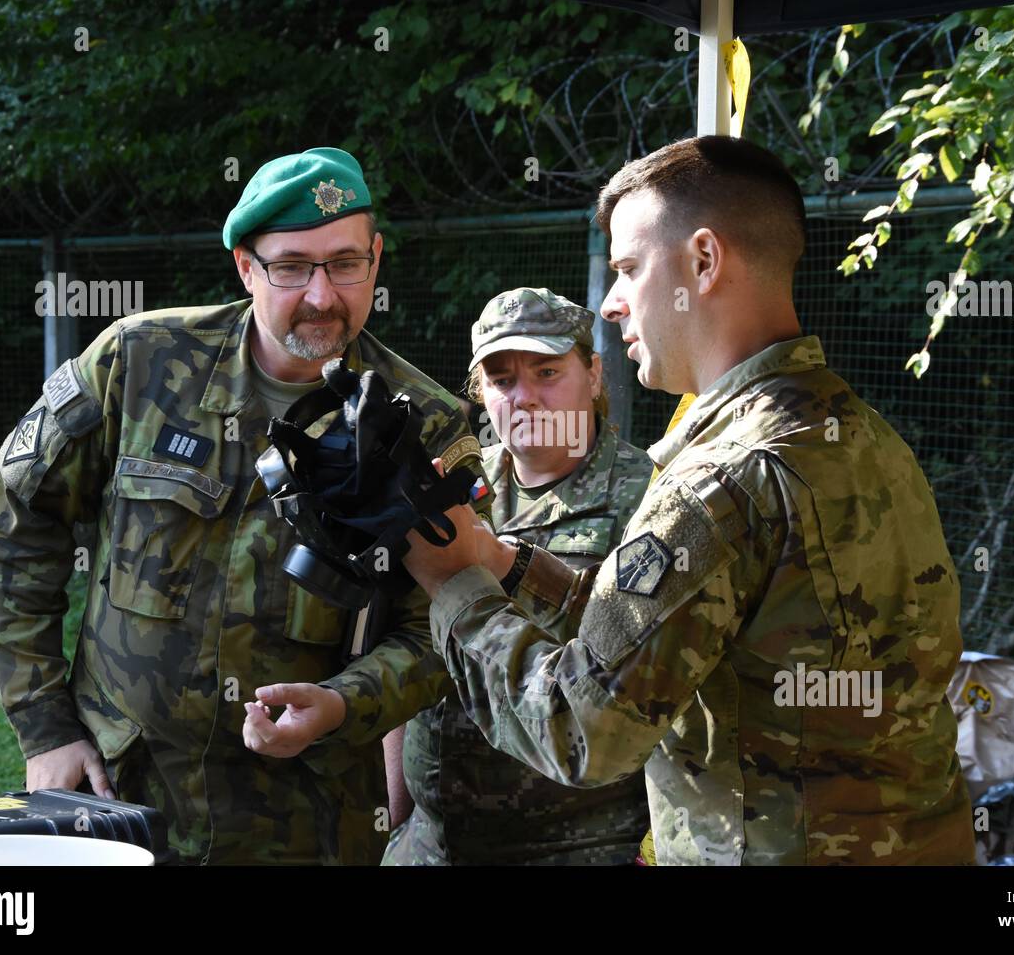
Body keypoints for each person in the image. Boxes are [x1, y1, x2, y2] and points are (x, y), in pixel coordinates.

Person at [401, 136, 976, 865]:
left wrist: (455, 585)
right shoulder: (858, 434)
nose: (610, 305)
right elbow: (691, 635)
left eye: (629, 270)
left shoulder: (720, 483)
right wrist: (506, 564)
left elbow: (581, 729)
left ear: (703, 262)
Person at [0, 147, 489, 864]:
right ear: (247, 268)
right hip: (118, 793)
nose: (321, 294)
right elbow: (19, 528)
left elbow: (449, 625)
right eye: (291, 266)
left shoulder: (423, 424)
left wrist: (344, 704)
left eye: (344, 263)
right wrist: (45, 728)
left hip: (308, 820)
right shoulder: (140, 364)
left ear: (375, 259)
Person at [381, 288, 651, 865]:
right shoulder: (452, 489)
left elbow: (637, 675)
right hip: (432, 845)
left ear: (595, 374)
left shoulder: (650, 502)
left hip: (577, 846)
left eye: (548, 371)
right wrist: (396, 820)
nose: (525, 397)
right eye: (502, 381)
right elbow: (403, 636)